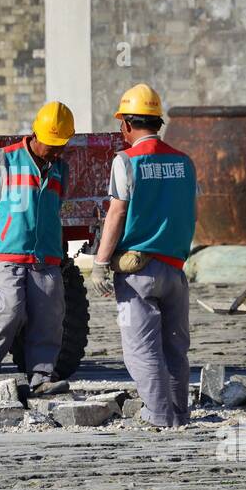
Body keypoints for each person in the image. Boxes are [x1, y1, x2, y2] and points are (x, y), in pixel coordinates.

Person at [90, 84, 197, 427]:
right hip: (176, 270)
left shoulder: (126, 161)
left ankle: (159, 416)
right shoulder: (184, 161)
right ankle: (179, 414)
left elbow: (117, 213)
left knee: (142, 348)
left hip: (138, 272)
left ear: (126, 125)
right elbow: (190, 210)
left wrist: (100, 263)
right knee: (176, 348)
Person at [0, 101, 75, 394]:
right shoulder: (4, 160)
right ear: (35, 134)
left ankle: (41, 376)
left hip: (46, 257)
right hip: (8, 253)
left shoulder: (60, 168)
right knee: (9, 312)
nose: (55, 151)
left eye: (61, 145)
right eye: (51, 144)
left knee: (50, 315)